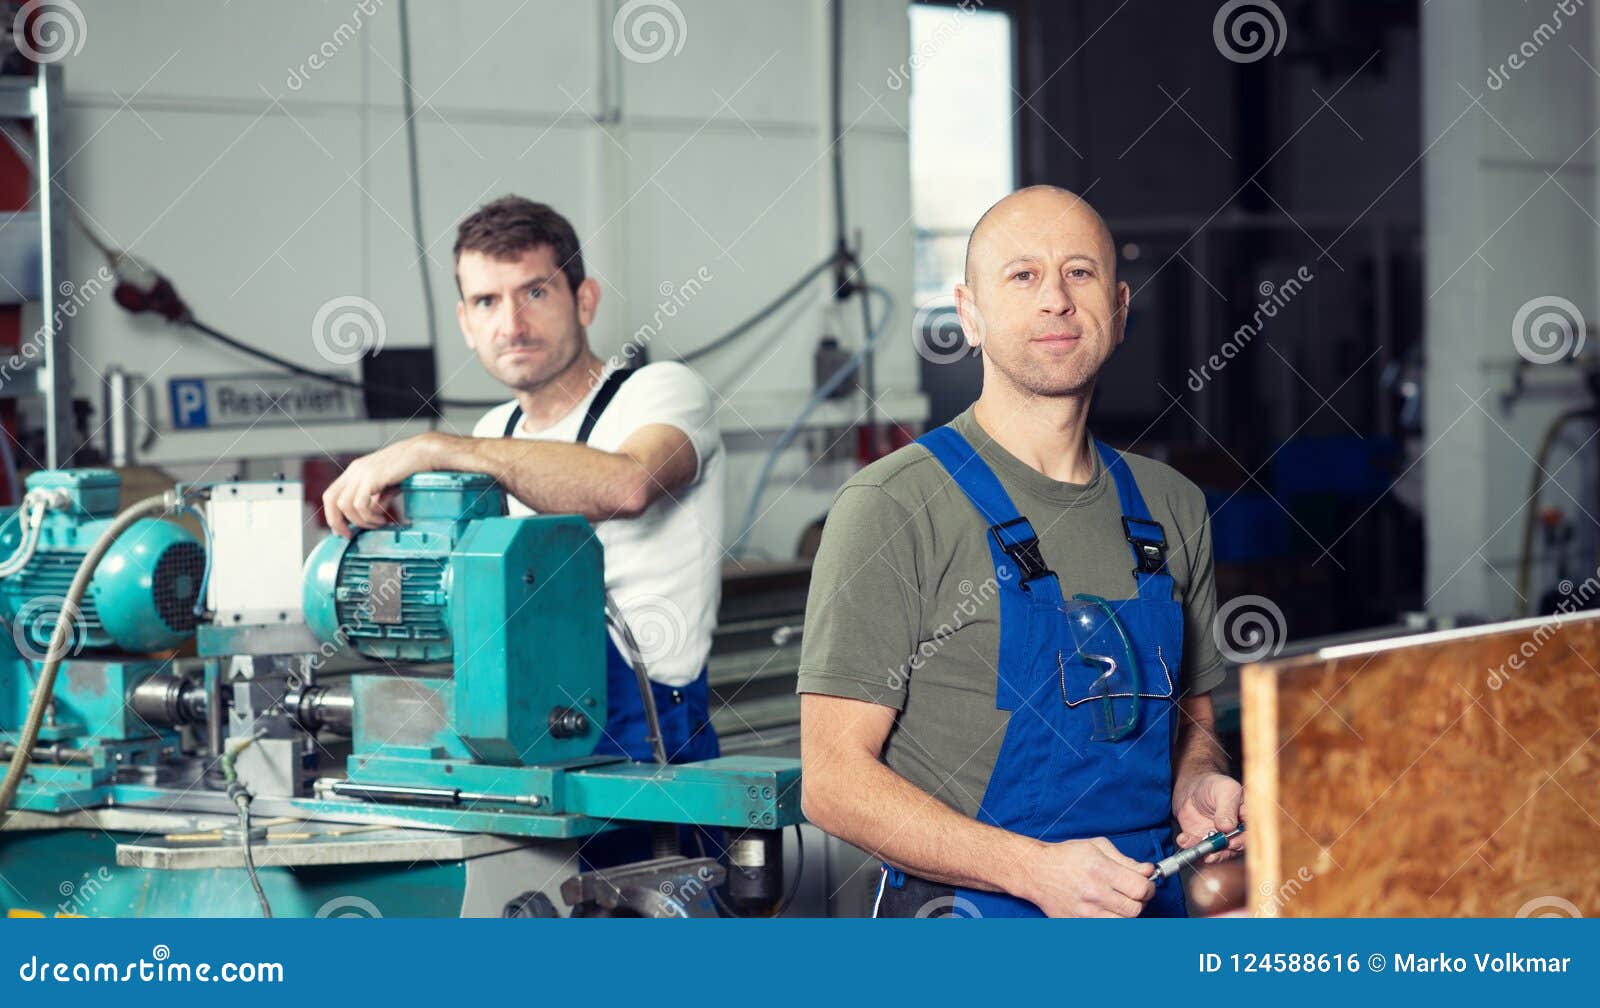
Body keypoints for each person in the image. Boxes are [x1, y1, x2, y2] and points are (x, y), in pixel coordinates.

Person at [797, 186, 1245, 918]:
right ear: (969, 313)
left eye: (1080, 273)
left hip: (1148, 910)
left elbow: (1191, 722)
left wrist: (1198, 780)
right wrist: (1031, 871)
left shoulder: (1172, 506)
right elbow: (833, 783)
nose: (1056, 301)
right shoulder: (894, 504)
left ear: (1120, 309)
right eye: (1023, 275)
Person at [322, 195, 723, 767]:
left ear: (584, 301)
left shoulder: (660, 393)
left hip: (649, 733)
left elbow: (627, 486)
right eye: (486, 301)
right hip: (521, 720)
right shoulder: (493, 432)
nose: (511, 325)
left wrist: (437, 448)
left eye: (535, 293)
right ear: (466, 323)